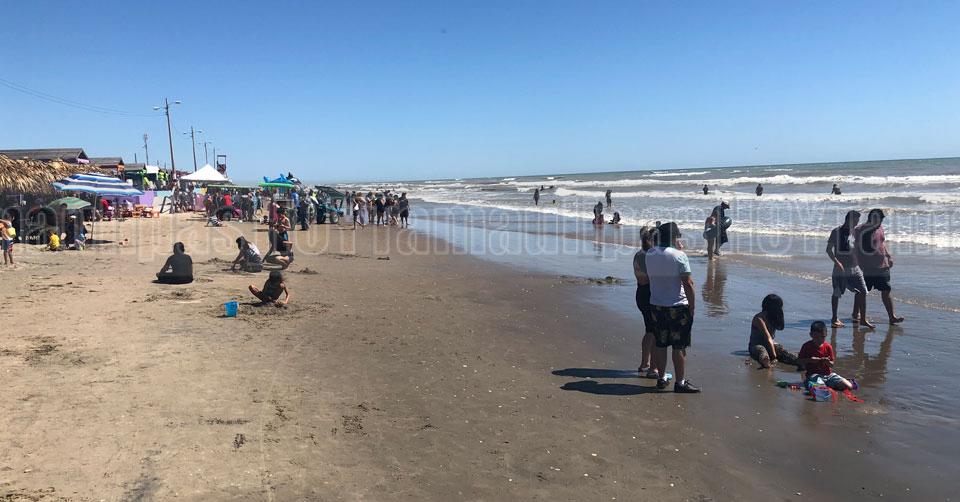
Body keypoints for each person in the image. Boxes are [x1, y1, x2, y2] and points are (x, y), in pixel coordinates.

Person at [646, 222, 699, 393]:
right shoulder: (679, 255)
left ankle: (661, 378)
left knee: (661, 343)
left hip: (656, 303)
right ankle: (680, 382)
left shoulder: (650, 253)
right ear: (674, 237)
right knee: (679, 346)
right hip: (677, 305)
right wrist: (692, 305)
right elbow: (688, 283)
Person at [854, 209, 903, 325]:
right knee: (862, 292)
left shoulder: (880, 228)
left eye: (881, 220)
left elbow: (882, 243)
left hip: (882, 266)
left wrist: (888, 256)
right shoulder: (859, 230)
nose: (880, 223)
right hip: (867, 268)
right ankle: (858, 316)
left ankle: (892, 317)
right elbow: (855, 248)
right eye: (878, 220)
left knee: (886, 290)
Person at [826, 210, 868, 328]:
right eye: (855, 221)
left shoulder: (856, 232)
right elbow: (828, 250)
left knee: (863, 291)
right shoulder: (836, 232)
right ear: (849, 220)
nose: (857, 223)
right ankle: (834, 318)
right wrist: (837, 262)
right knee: (837, 293)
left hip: (855, 268)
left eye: (858, 221)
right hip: (840, 269)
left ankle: (862, 318)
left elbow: (857, 249)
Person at [796, 321, 853, 391]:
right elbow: (799, 361)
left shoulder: (828, 347)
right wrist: (810, 360)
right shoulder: (806, 346)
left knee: (849, 386)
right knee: (822, 388)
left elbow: (832, 364)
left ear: (826, 335)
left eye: (822, 337)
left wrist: (827, 362)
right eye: (816, 337)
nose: (820, 339)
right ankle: (821, 386)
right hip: (813, 375)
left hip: (828, 375)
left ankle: (826, 385)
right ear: (811, 335)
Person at [633, 226, 659, 379]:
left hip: (641, 293)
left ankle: (645, 363)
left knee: (649, 330)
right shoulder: (650, 255)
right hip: (649, 294)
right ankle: (653, 368)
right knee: (655, 332)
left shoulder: (639, 254)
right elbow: (653, 278)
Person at [748, 294, 797, 368]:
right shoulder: (759, 318)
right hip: (756, 345)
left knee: (782, 351)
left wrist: (780, 315)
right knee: (762, 350)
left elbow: (781, 327)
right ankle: (765, 361)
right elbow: (768, 338)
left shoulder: (773, 317)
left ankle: (797, 360)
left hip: (770, 343)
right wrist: (774, 357)